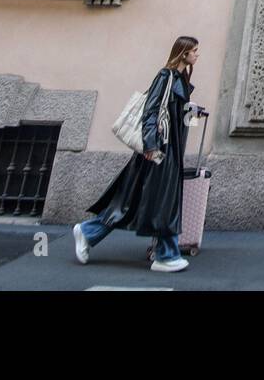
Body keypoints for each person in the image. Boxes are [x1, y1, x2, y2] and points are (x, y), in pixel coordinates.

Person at [72, 36, 198, 272]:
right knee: (160, 201)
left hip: (169, 149)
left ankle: (89, 232)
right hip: (159, 150)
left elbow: (177, 116)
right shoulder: (165, 77)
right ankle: (165, 255)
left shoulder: (179, 78)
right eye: (194, 51)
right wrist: (150, 146)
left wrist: (193, 114)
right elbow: (151, 111)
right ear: (183, 54)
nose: (197, 55)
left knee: (136, 201)